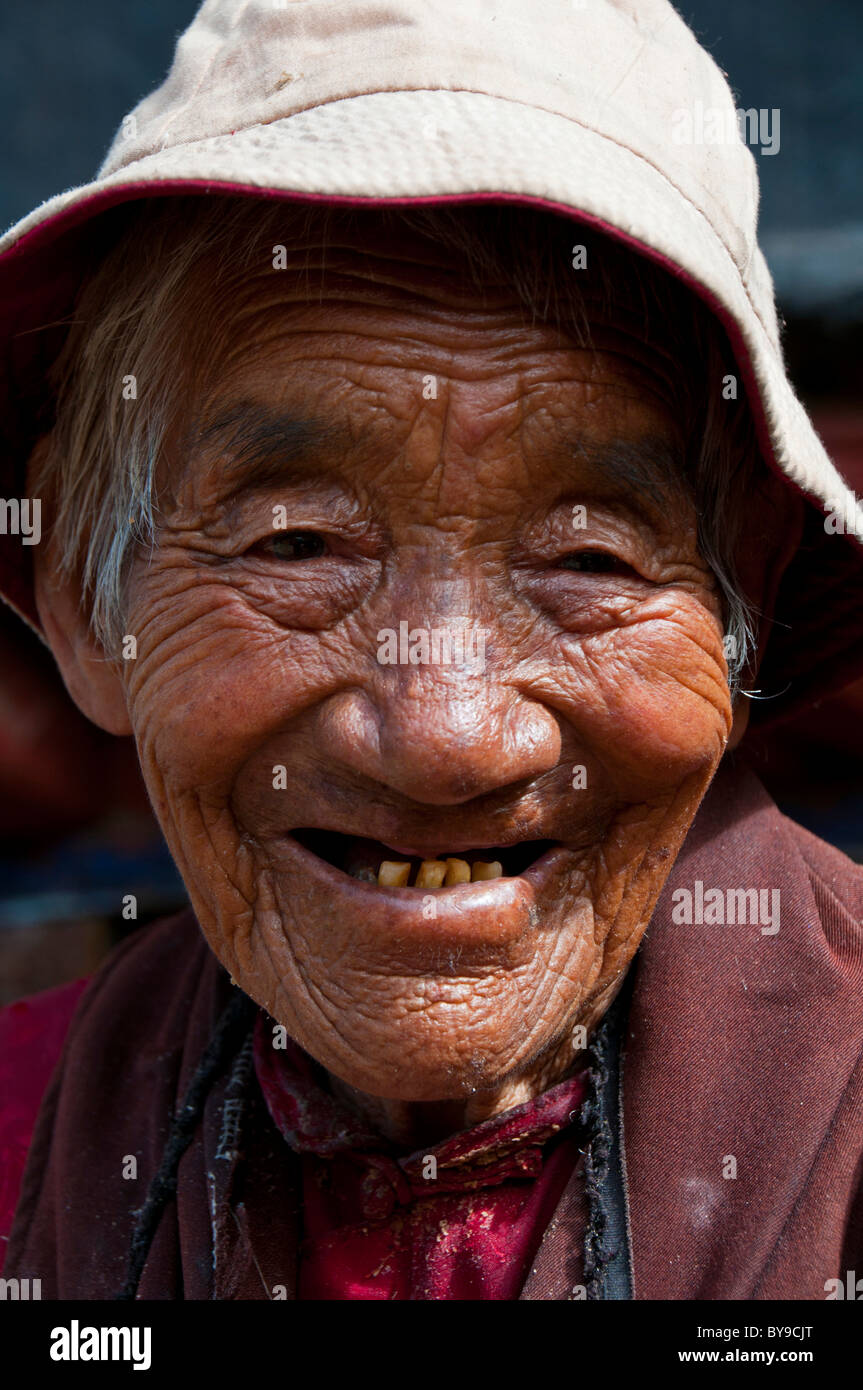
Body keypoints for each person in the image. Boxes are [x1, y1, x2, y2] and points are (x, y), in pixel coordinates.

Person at [1, 0, 862, 1301]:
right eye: (297, 544)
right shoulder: (22, 1136)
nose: (449, 733)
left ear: (737, 599)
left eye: (589, 558)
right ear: (84, 588)